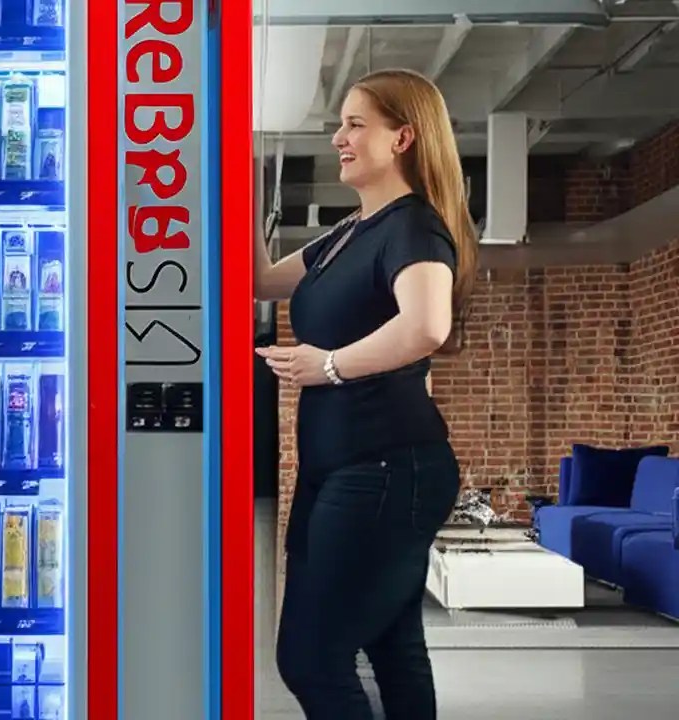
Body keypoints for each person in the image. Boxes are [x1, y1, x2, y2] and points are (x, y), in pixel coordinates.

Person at [255, 68, 478, 719]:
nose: (338, 138)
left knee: (311, 659)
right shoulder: (352, 231)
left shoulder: (413, 228)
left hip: (385, 467)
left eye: (355, 124)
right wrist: (232, 173)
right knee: (391, 647)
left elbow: (427, 326)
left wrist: (329, 365)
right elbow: (259, 281)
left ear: (402, 138)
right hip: (349, 466)